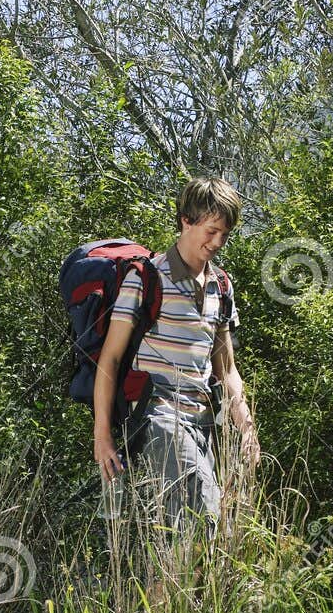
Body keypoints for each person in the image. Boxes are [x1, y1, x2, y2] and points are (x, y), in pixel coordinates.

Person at [92, 176, 261, 535]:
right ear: (186, 220)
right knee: (204, 516)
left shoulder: (221, 286)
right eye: (211, 231)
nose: (217, 243)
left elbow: (227, 369)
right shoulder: (146, 278)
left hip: (203, 423)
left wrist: (245, 425)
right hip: (159, 417)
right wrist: (102, 435)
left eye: (224, 235)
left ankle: (162, 591)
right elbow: (108, 360)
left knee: (195, 534)